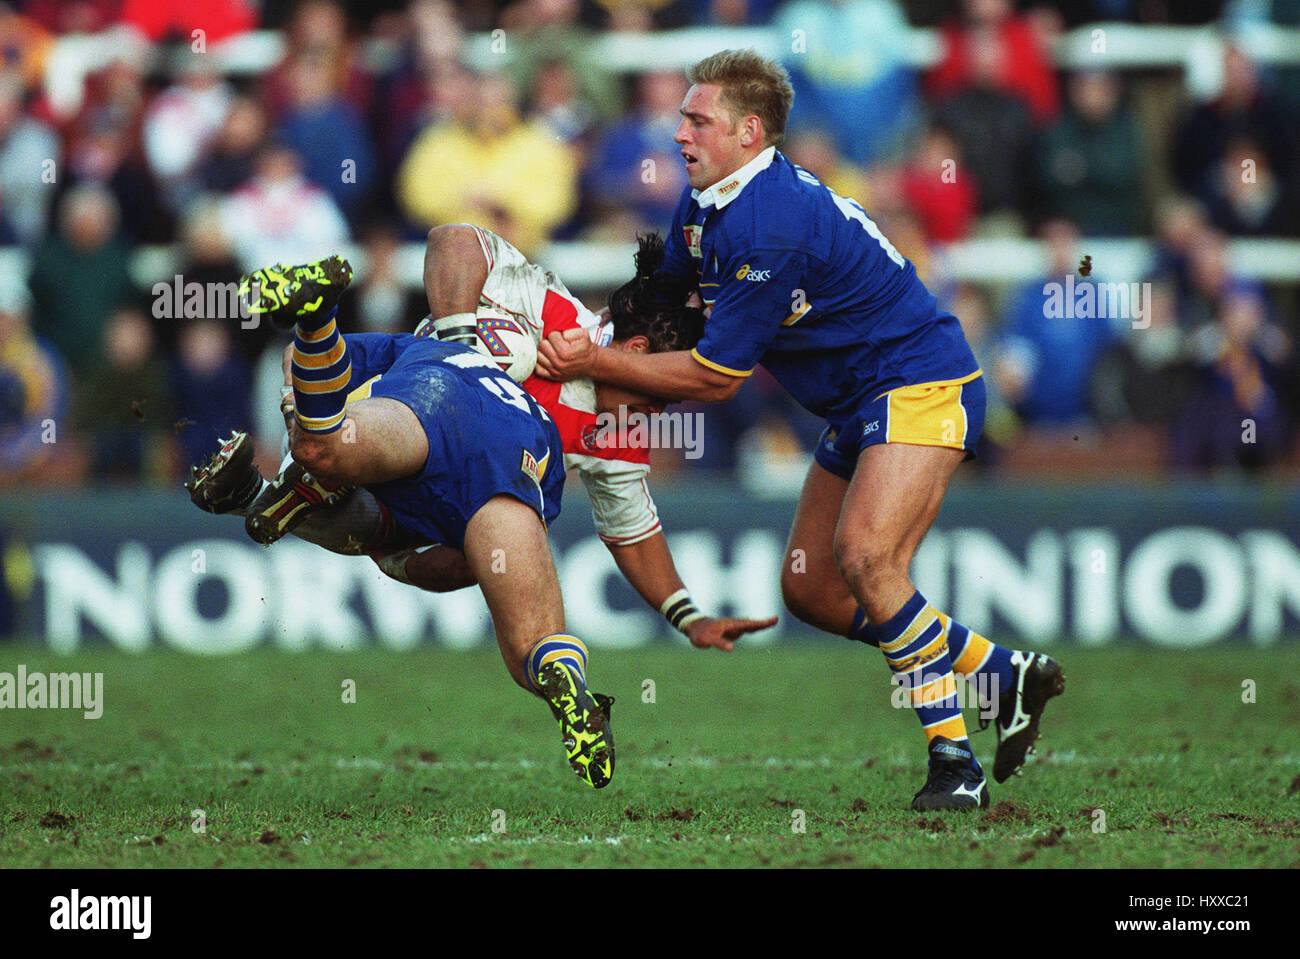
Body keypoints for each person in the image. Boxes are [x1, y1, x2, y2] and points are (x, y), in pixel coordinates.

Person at [537, 49, 1065, 812]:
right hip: (861, 399)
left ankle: (956, 762)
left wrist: (594, 361)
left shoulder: (768, 224)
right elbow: (664, 305)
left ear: (749, 132)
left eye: (696, 119)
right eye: (681, 115)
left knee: (867, 558)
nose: (678, 132)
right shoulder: (707, 202)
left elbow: (718, 375)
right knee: (811, 588)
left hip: (920, 379)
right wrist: (589, 342)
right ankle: (1000, 671)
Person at [189, 254, 615, 791]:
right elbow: (461, 566)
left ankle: (272, 476)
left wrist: (294, 410)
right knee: (529, 645)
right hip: (515, 458)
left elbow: (299, 360)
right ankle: (566, 685)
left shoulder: (422, 349)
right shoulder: (537, 410)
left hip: (431, 409)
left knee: (326, 452)